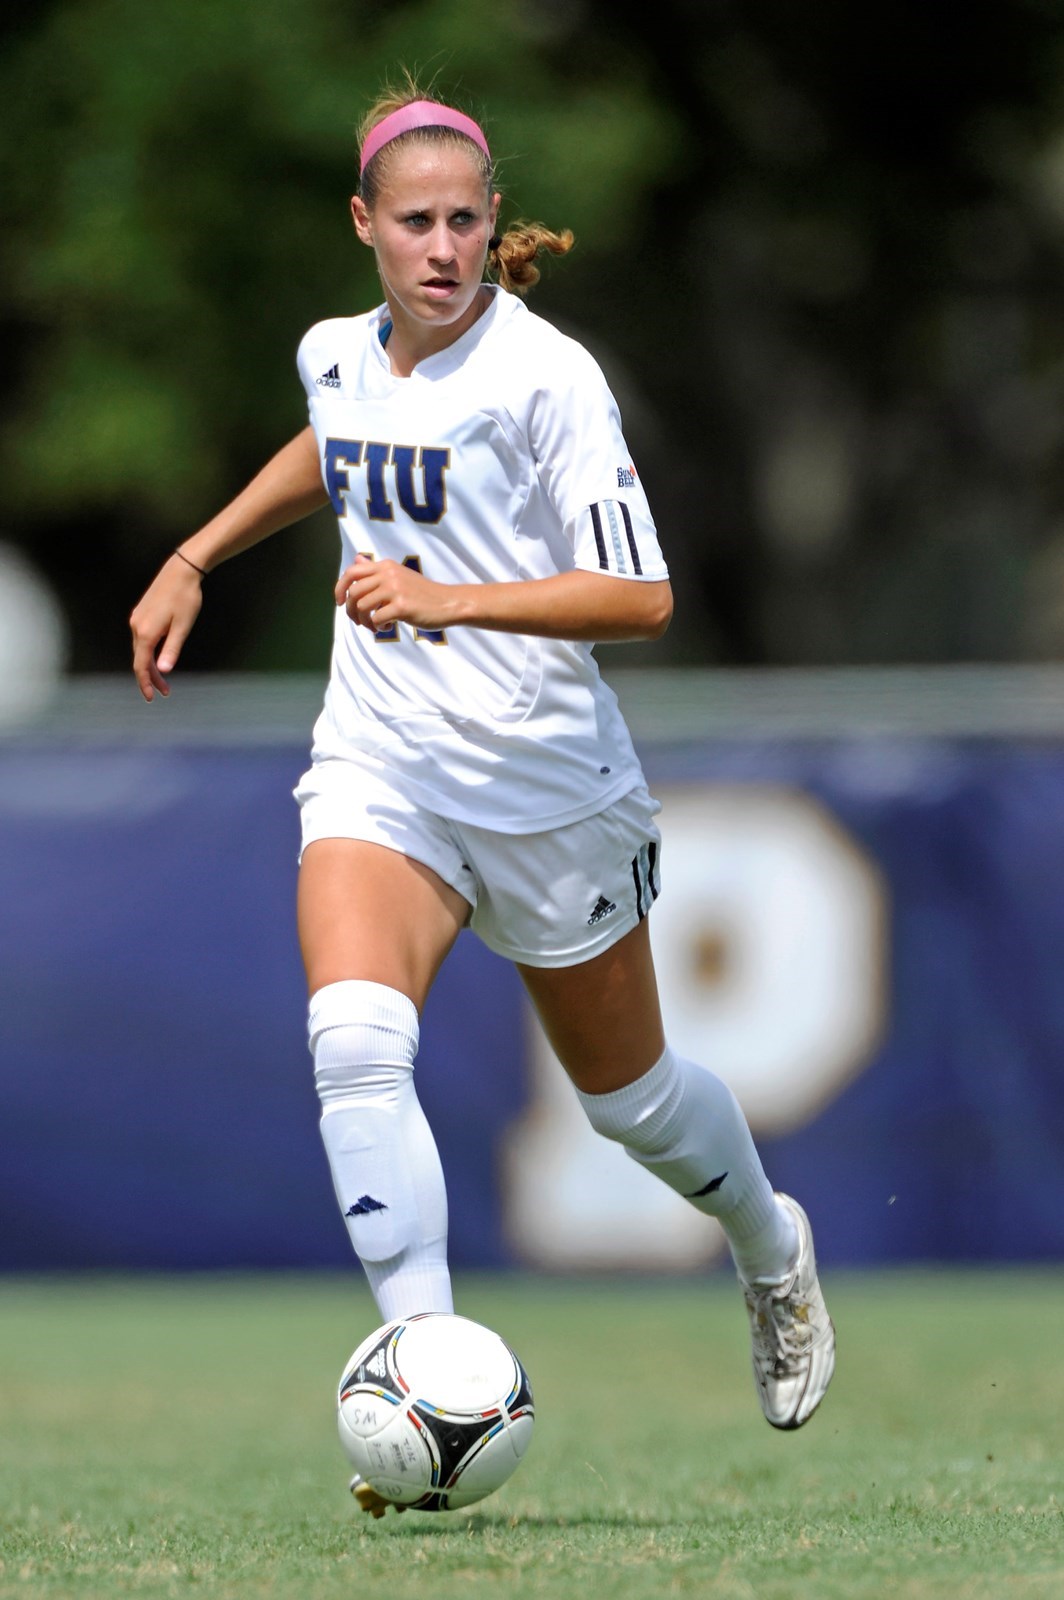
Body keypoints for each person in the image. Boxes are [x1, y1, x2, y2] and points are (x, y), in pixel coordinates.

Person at [130, 76, 835, 1516]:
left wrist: (449, 598)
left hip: (546, 794)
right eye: (414, 224)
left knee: (631, 1107)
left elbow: (641, 595)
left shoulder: (547, 376)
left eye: (464, 221)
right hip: (383, 768)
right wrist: (197, 552)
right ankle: (427, 1359)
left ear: (492, 222)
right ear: (365, 228)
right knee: (353, 1042)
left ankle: (769, 1247)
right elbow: (338, 449)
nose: (441, 248)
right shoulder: (338, 353)